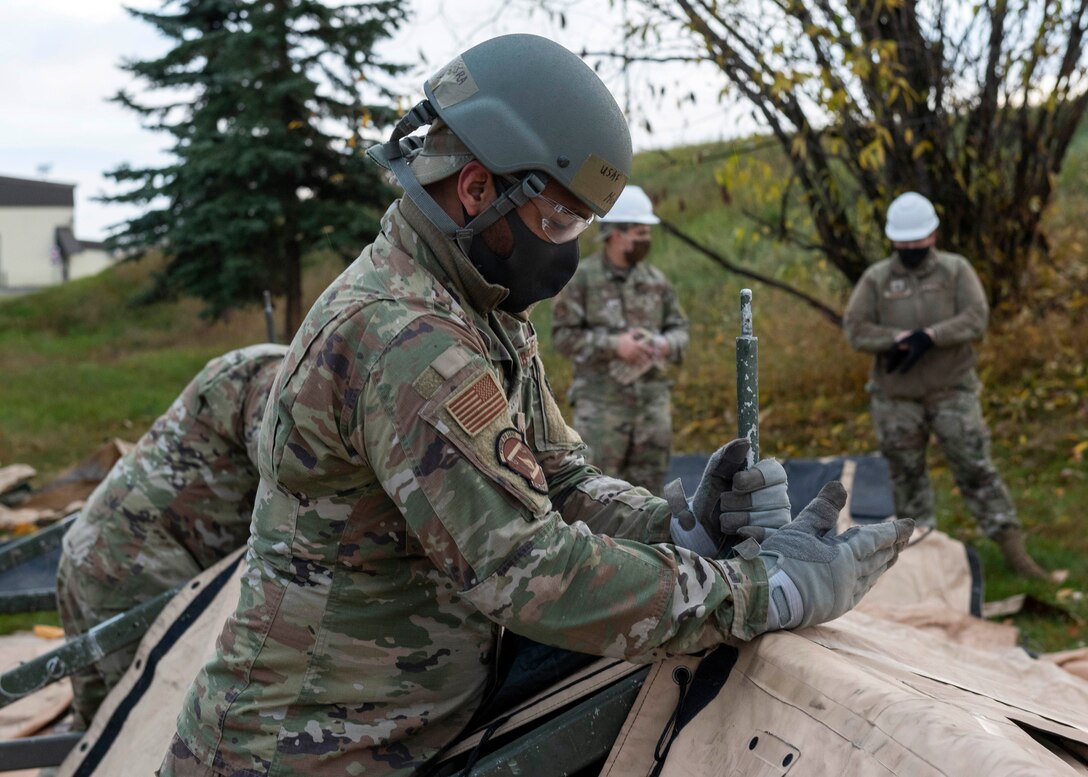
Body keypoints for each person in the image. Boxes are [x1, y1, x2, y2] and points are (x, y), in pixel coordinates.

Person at [160, 35, 912, 777]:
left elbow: (556, 482)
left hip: (391, 729)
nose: (566, 252)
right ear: (478, 188)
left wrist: (684, 526)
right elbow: (527, 566)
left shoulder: (480, 307)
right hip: (299, 754)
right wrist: (762, 592)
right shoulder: (406, 339)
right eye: (557, 222)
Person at [55, 343, 287, 727]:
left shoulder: (253, 362)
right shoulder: (276, 379)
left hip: (95, 550)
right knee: (151, 730)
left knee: (95, 732)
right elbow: (287, 481)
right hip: (134, 568)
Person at [843, 191, 1046, 579]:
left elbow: (975, 317)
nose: (910, 249)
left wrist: (931, 336)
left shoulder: (955, 271)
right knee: (906, 476)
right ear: (892, 241)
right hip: (897, 397)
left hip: (952, 389)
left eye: (917, 242)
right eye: (903, 243)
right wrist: (896, 340)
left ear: (933, 236)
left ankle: (1016, 554)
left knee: (975, 468)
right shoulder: (877, 279)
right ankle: (921, 563)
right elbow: (855, 329)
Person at [551, 184, 687, 494]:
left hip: (652, 410)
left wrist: (664, 344)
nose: (646, 239)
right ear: (615, 234)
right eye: (639, 232)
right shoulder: (581, 280)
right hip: (601, 411)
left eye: (647, 232)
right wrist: (616, 346)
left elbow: (680, 330)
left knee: (651, 502)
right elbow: (562, 337)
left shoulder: (656, 281)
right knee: (597, 497)